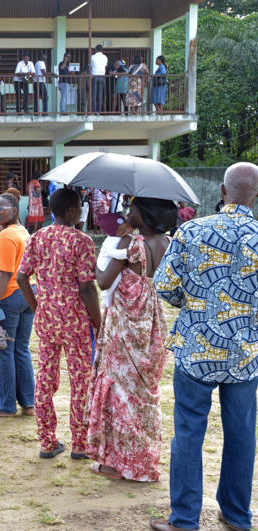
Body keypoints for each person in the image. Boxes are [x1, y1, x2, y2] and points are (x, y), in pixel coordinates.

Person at [151, 163, 258, 531]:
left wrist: (196, 303)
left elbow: (165, 285)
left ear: (223, 192)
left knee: (188, 432)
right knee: (242, 434)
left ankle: (184, 519)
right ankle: (237, 515)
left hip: (196, 349)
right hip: (245, 354)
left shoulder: (192, 230)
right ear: (255, 195)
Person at [86, 197, 177, 482]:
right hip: (151, 324)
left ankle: (117, 465)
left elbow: (103, 281)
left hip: (126, 325)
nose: (128, 212)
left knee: (120, 392)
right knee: (142, 394)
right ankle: (143, 460)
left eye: (134, 208)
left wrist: (98, 257)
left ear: (146, 214)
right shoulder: (167, 243)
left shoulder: (131, 245)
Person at [16, 189, 102, 459]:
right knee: (80, 382)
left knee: (45, 379)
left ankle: (47, 441)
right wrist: (99, 323)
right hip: (76, 323)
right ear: (73, 209)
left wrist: (38, 307)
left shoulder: (37, 238)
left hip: (47, 321)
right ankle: (80, 444)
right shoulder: (82, 241)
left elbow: (21, 277)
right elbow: (87, 287)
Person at [0, 191, 36, 416]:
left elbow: (5, 273)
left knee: (3, 351)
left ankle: (6, 406)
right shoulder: (23, 231)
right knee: (21, 349)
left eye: (1, 209)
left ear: (14, 211)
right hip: (27, 294)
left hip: (7, 297)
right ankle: (29, 404)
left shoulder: (6, 236)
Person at [90, 44, 108, 113]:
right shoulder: (105, 57)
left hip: (94, 76)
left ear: (96, 49)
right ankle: (98, 111)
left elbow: (90, 66)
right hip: (102, 76)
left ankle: (93, 111)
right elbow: (105, 66)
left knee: (93, 94)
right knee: (100, 95)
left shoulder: (92, 57)